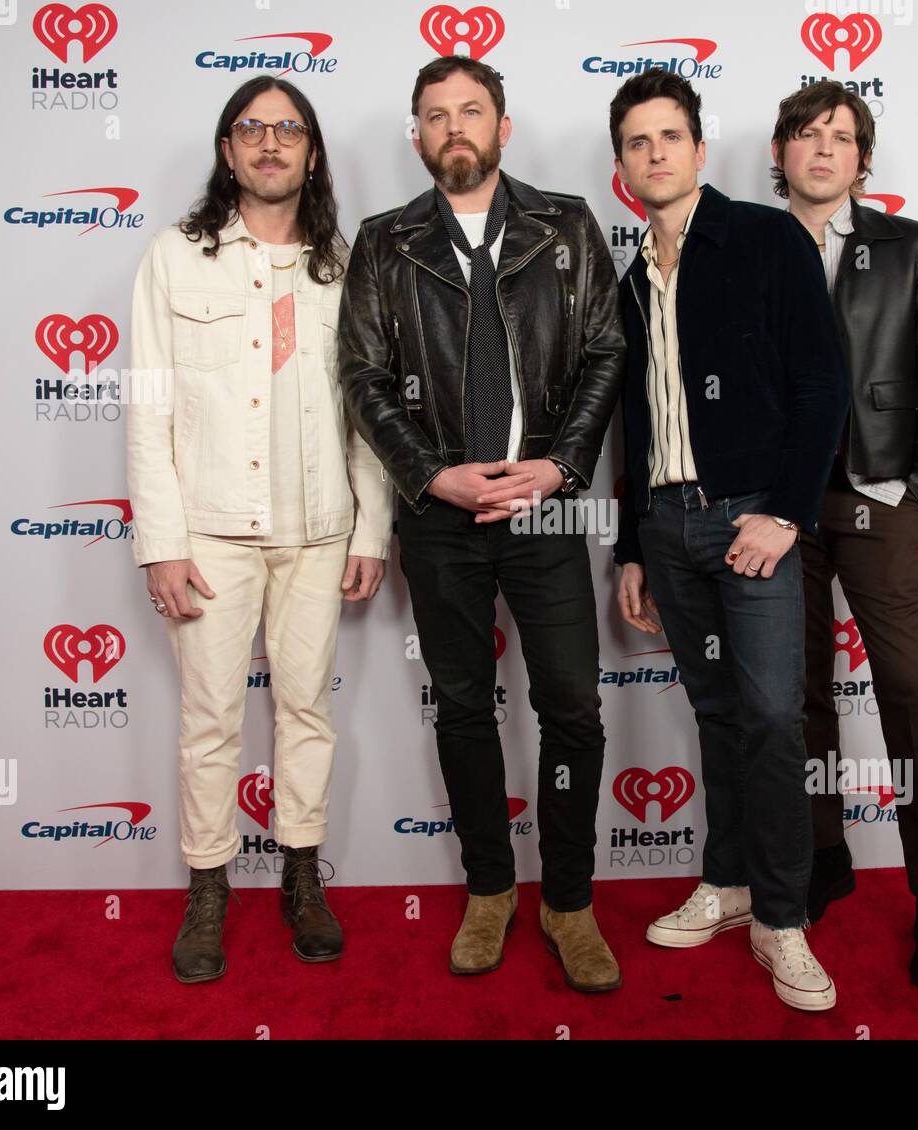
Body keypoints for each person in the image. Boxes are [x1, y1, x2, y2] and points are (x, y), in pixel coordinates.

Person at [338, 57, 625, 992]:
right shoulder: (385, 242)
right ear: (416, 135)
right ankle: (491, 889)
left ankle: (571, 899)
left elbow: (606, 352)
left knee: (573, 711)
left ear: (505, 127)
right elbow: (365, 380)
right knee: (462, 708)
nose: (453, 127)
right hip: (441, 518)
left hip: (542, 512)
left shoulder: (568, 225)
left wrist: (562, 464)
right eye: (435, 115)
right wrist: (431, 476)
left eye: (471, 111)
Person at [126, 76, 393, 983]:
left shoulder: (347, 263)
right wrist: (159, 540)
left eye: (288, 129)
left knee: (307, 711)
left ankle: (301, 878)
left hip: (320, 533)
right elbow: (148, 409)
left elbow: (370, 412)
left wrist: (371, 532)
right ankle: (208, 892)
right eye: (252, 129)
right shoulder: (175, 256)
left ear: (311, 151)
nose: (270, 142)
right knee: (209, 721)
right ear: (228, 150)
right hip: (207, 537)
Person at [610, 70, 850, 1011]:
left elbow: (821, 384)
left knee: (773, 722)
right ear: (621, 164)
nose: (655, 152)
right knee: (716, 718)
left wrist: (785, 513)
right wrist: (631, 545)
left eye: (670, 136)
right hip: (668, 527)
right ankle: (730, 879)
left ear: (700, 151)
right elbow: (634, 421)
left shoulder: (763, 237)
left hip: (753, 520)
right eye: (637, 141)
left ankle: (782, 920)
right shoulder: (630, 279)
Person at [772, 79, 918, 994]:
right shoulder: (749, 246)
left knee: (908, 692)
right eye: (807, 135)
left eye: (841, 137)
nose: (822, 150)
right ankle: (824, 856)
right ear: (781, 152)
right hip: (780, 511)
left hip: (880, 499)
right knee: (799, 695)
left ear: (862, 159)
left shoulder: (910, 248)